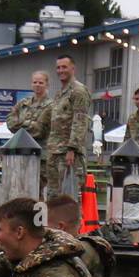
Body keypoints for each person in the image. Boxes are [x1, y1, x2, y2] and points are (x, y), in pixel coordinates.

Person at [38, 55, 92, 196]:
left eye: (64, 67)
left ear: (73, 68)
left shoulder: (78, 91)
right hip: (54, 152)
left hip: (68, 155)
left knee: (70, 197)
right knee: (53, 196)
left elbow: (80, 121)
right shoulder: (59, 94)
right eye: (58, 67)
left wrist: (72, 149)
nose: (60, 70)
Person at [44, 192, 116, 277]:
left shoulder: (79, 253)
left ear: (60, 227)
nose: (41, 230)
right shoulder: (89, 248)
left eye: (44, 225)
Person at [6, 71, 52, 152]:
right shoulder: (22, 103)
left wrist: (21, 124)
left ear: (47, 85)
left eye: (41, 83)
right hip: (21, 150)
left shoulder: (51, 105)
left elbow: (39, 130)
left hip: (41, 152)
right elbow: (10, 123)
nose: (37, 85)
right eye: (35, 82)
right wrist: (30, 124)